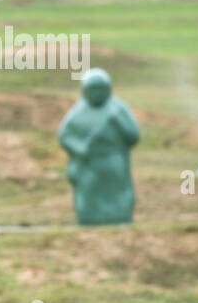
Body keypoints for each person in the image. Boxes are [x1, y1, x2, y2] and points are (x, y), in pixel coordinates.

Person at [58, 67, 139, 225]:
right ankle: (90, 219)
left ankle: (119, 218)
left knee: (118, 194)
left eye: (100, 89)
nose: (96, 94)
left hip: (114, 161)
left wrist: (118, 123)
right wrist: (79, 149)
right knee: (88, 196)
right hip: (89, 165)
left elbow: (133, 135)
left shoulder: (117, 110)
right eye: (92, 90)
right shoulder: (78, 113)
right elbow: (65, 136)